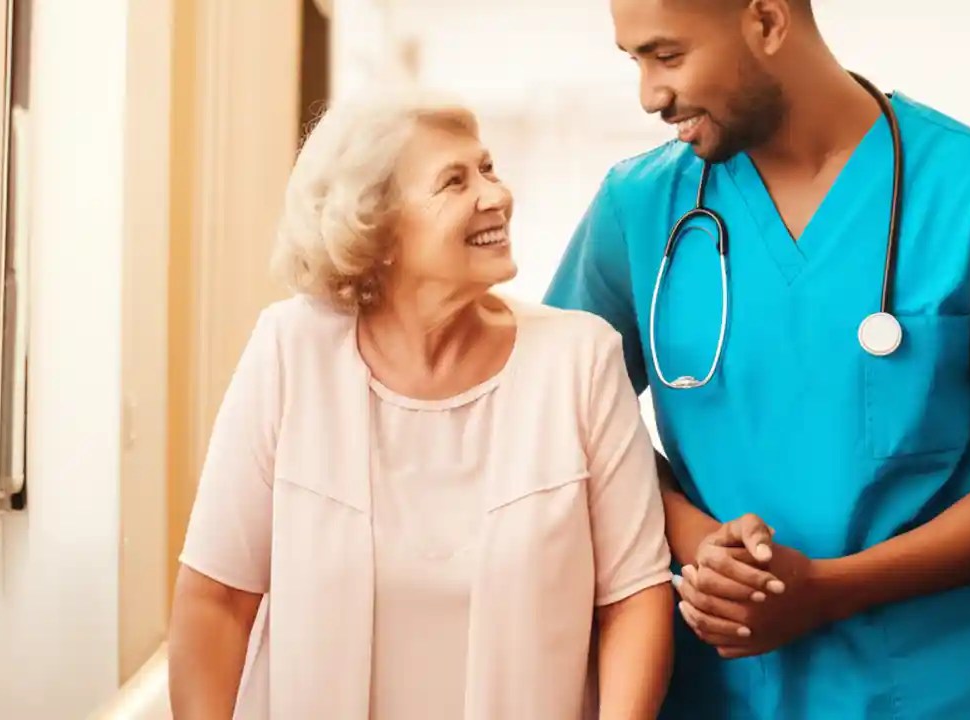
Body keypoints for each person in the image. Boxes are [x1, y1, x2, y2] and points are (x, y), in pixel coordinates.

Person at [544, 0, 970, 718]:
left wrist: (829, 590)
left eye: (667, 56)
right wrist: (701, 543)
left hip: (944, 686)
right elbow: (564, 418)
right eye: (634, 60)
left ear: (766, 20)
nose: (649, 95)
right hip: (727, 687)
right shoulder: (638, 208)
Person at [168, 90, 674, 719]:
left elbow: (634, 599)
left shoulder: (581, 360)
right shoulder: (291, 350)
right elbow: (216, 597)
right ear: (376, 229)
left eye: (487, 169)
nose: (495, 195)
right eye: (454, 182)